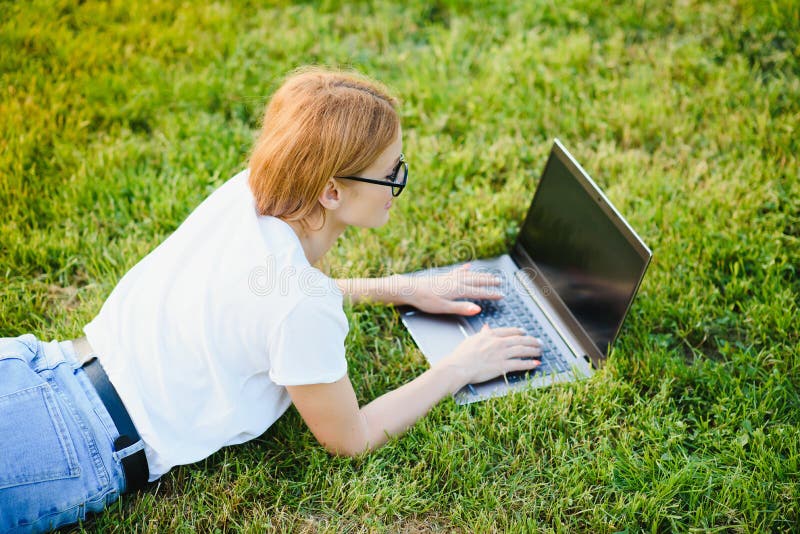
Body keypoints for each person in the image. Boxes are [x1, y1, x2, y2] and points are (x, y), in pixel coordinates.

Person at [0, 67, 543, 533]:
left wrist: (396, 287)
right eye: (391, 174)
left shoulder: (245, 195)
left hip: (37, 366)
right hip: (74, 446)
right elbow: (349, 437)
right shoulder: (300, 304)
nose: (399, 183)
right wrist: (459, 367)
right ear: (332, 191)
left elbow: (269, 297)